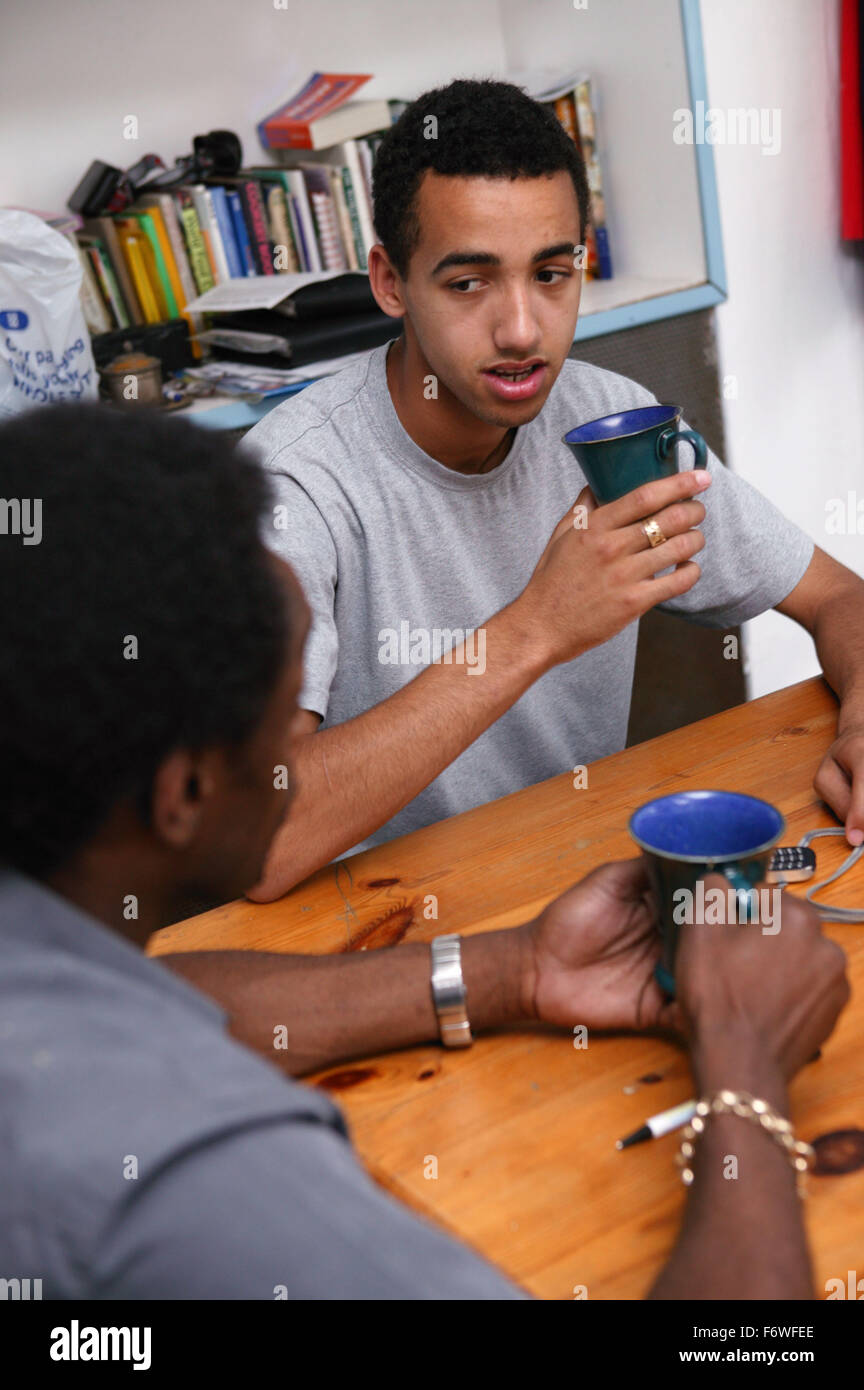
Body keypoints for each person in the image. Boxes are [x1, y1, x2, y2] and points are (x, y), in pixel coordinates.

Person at [0, 402, 849, 1298]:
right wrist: (745, 1065)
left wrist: (515, 971)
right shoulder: (213, 1187)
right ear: (184, 796)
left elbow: (155, 1006)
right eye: (288, 726)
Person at [239, 77, 864, 903]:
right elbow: (259, 843)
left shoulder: (613, 424)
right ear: (390, 283)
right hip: (371, 924)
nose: (522, 330)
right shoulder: (290, 485)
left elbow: (838, 597)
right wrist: (539, 627)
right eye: (469, 283)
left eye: (551, 273)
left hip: (571, 887)